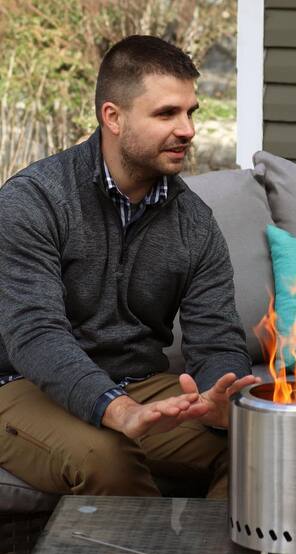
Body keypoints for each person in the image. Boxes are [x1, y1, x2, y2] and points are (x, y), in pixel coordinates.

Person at [0, 35, 259, 499]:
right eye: (166, 113)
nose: (188, 130)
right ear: (113, 117)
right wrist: (117, 410)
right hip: (23, 384)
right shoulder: (35, 201)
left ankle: (209, 550)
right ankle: (144, 552)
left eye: (191, 112)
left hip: (138, 383)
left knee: (254, 445)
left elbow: (217, 336)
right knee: (108, 459)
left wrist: (223, 399)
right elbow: (35, 334)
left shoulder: (195, 222)